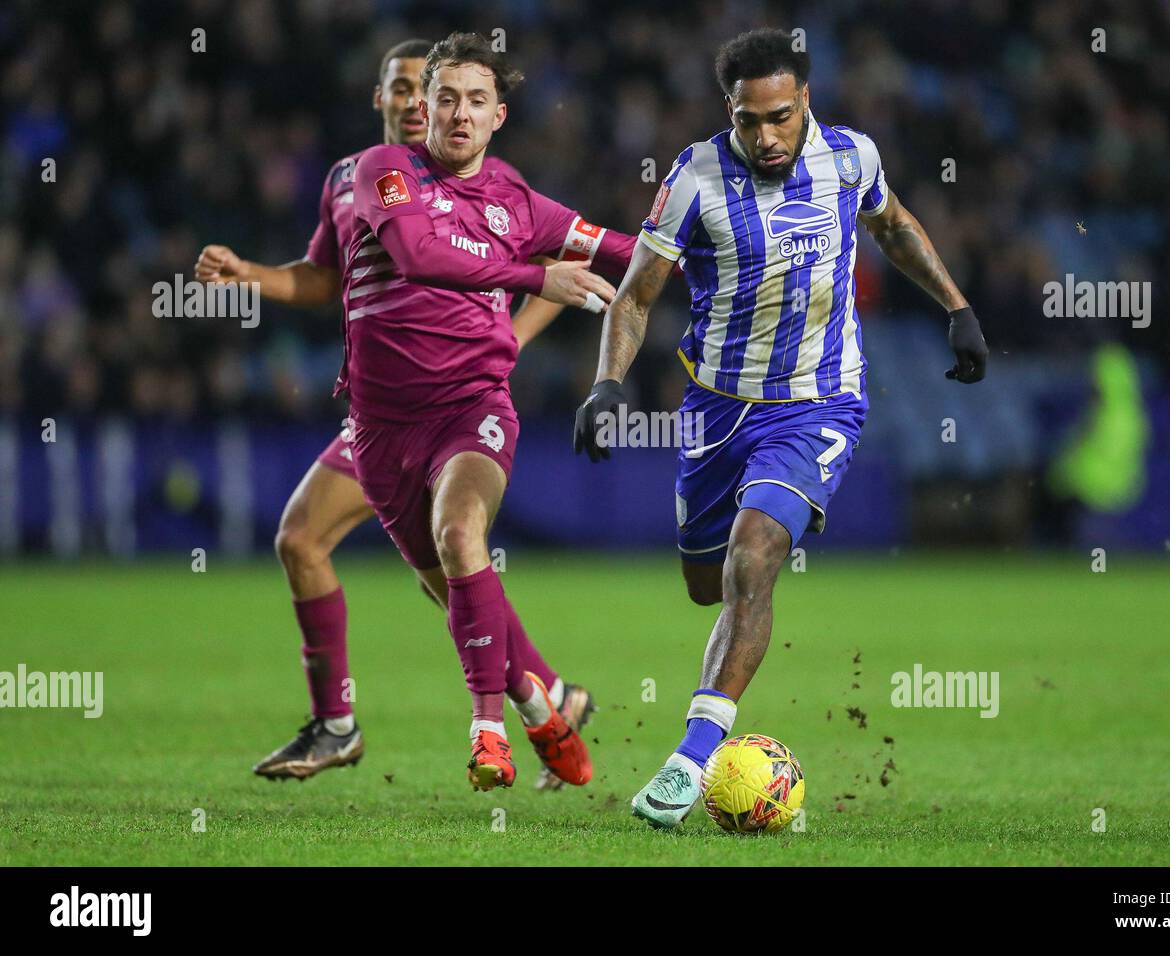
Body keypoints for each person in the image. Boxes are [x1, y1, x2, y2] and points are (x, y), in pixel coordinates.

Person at [573, 28, 989, 828]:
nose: (765, 135)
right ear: (727, 112)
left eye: (780, 117)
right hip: (716, 408)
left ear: (806, 103)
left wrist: (957, 305)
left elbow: (894, 224)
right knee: (708, 586)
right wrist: (606, 387)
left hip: (818, 402)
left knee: (756, 549)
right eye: (748, 120)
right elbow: (634, 296)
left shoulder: (850, 157)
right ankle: (720, 678)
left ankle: (689, 762)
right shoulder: (694, 177)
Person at [194, 39, 593, 789]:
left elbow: (543, 256)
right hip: (378, 411)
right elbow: (323, 277)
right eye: (403, 88)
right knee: (317, 542)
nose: (417, 102)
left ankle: (495, 708)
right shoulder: (352, 178)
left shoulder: (474, 180)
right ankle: (532, 696)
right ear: (380, 97)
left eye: (428, 88)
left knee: (444, 553)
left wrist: (517, 332)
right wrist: (249, 274)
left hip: (453, 403)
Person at [342, 32, 637, 790]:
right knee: (452, 584)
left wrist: (710, 258)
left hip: (472, 407)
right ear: (422, 106)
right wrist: (536, 277)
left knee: (460, 533)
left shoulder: (516, 198)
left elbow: (617, 248)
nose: (458, 113)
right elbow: (416, 255)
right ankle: (545, 704)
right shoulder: (384, 172)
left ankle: (489, 736)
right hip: (379, 431)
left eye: (476, 100)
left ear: (498, 115)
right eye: (444, 98)